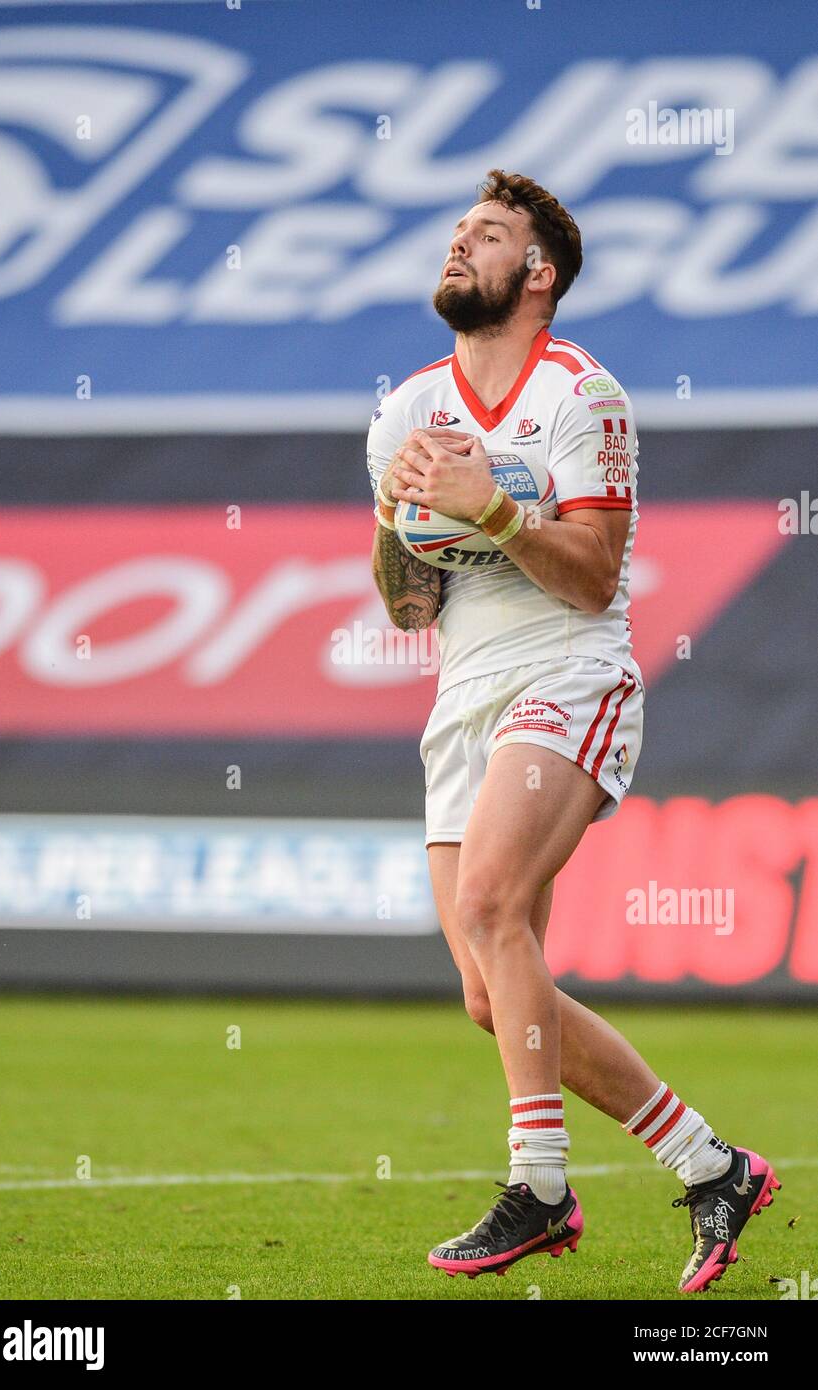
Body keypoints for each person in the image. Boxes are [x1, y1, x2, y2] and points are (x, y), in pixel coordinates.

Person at [365, 169, 780, 1292]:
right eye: (455, 232)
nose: (458, 248)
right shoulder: (406, 410)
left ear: (536, 274)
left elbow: (594, 580)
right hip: (465, 697)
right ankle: (711, 1163)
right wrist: (405, 529)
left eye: (485, 235)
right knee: (491, 990)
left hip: (570, 675)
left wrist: (488, 507)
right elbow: (407, 601)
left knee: (492, 903)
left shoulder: (579, 396)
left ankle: (538, 1187)